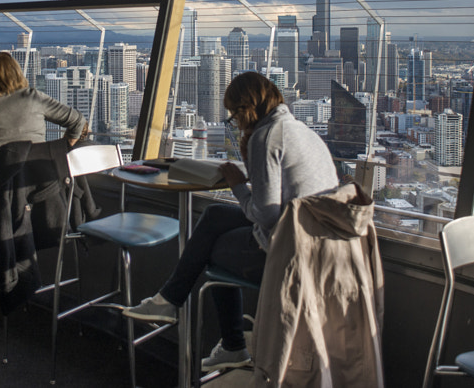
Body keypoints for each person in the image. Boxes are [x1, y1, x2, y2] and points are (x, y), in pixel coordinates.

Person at [123, 71, 339, 372]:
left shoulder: (267, 136)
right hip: (317, 242)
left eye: (233, 115)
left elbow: (266, 215)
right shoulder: (299, 130)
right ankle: (170, 301)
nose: (234, 122)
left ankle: (229, 342)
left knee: (210, 252)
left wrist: (237, 184)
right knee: (214, 216)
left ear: (244, 110)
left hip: (289, 251)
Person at [0, 52, 86, 251]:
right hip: (33, 185)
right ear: (17, 73)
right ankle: (19, 246)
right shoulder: (33, 98)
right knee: (18, 204)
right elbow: (77, 120)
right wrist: (63, 149)